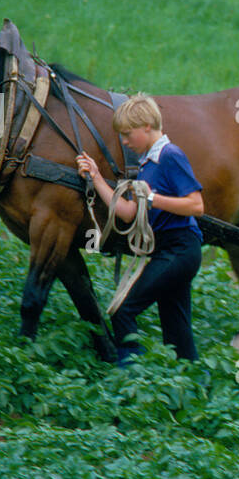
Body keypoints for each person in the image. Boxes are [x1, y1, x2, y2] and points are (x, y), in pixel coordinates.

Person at [76, 95, 204, 367]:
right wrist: (96, 178)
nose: (124, 141)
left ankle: (131, 380)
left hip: (180, 249)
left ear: (146, 126)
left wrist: (152, 199)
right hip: (167, 250)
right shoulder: (147, 165)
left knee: (122, 310)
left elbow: (196, 205)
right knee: (177, 335)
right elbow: (129, 212)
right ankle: (192, 389)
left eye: (127, 134)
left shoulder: (170, 156)